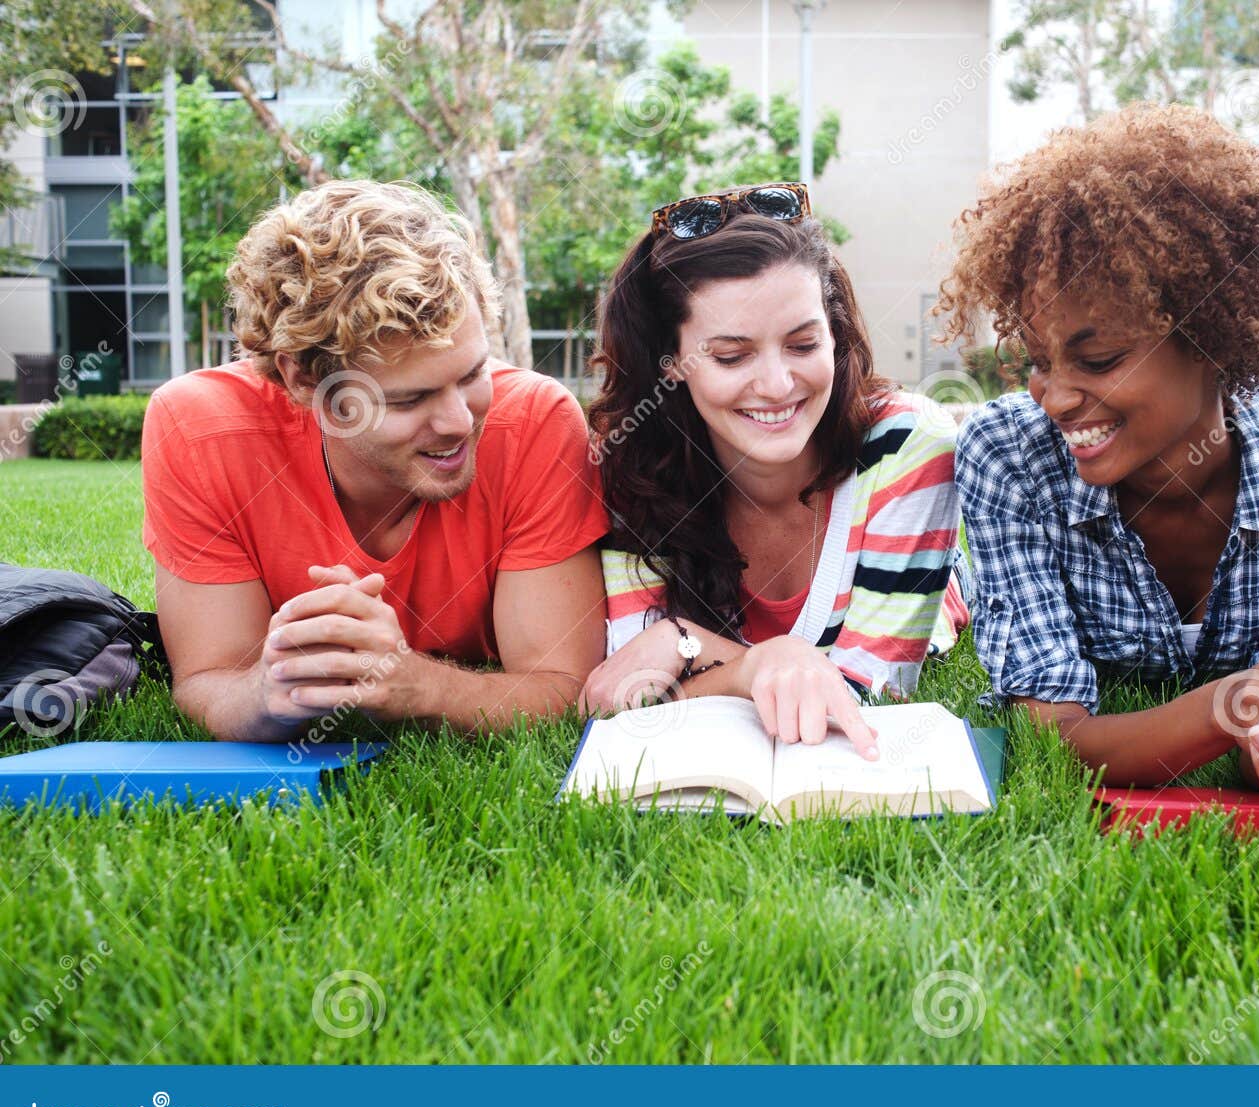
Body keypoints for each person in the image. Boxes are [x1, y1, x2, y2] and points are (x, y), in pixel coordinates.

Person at [940, 104, 1259, 805]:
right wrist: (1233, 705)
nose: (1054, 398)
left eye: (1098, 359)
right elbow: (1052, 736)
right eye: (1038, 360)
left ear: (1211, 338)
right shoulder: (1007, 455)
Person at [141, 180, 608, 741]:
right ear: (305, 381)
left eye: (472, 374)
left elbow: (564, 687)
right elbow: (207, 678)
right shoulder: (200, 429)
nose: (459, 421)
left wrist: (418, 688)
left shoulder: (535, 421)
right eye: (408, 399)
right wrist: (268, 691)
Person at [580, 183, 967, 758]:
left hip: (923, 580)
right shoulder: (631, 462)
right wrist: (756, 666)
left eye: (803, 345)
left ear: (834, 334)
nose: (777, 385)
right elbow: (628, 687)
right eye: (731, 356)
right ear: (672, 362)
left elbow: (868, 692)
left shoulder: (909, 443)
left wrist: (686, 645)